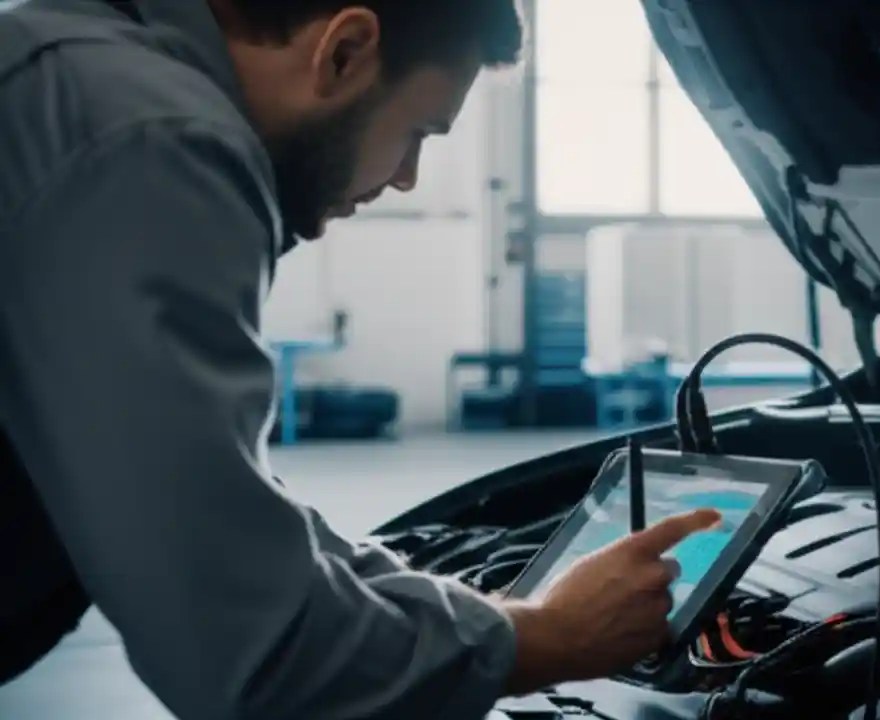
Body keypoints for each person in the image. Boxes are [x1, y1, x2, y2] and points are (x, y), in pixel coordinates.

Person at [0, 1, 721, 718]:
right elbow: (251, 652)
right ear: (344, 50)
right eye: (418, 132)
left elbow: (211, 500)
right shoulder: (151, 142)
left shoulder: (76, 75)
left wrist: (454, 609)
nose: (406, 176)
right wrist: (549, 638)